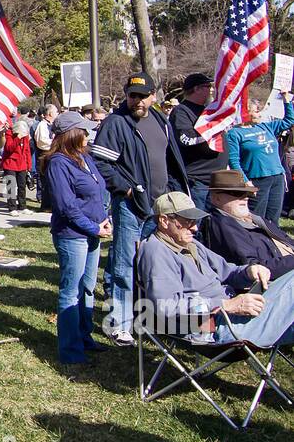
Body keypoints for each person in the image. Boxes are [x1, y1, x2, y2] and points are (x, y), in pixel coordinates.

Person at [91, 72, 190, 347]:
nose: (137, 101)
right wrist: (127, 188)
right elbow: (100, 162)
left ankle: (145, 319)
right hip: (130, 205)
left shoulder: (160, 120)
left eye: (142, 96)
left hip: (160, 206)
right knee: (124, 264)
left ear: (153, 96)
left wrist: (172, 187)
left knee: (150, 264)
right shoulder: (115, 123)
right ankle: (118, 325)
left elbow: (170, 159)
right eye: (132, 95)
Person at [136, 191, 294, 349]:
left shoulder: (190, 244)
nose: (195, 228)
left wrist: (249, 271)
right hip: (213, 328)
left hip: (232, 315)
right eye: (187, 221)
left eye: (195, 221)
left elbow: (228, 271)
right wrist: (225, 305)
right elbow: (168, 305)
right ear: (164, 221)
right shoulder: (156, 252)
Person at [41, 111, 112, 365]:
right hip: (73, 236)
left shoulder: (85, 157)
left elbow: (99, 190)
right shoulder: (58, 163)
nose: (88, 134)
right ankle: (70, 350)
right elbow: (66, 206)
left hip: (93, 231)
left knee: (88, 287)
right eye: (84, 130)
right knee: (71, 292)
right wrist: (94, 228)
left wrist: (104, 219)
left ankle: (84, 338)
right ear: (72, 134)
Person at [202, 168, 294, 281]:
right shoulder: (222, 224)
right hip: (277, 282)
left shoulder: (253, 218)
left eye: (246, 193)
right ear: (216, 198)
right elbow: (253, 267)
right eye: (236, 193)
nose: (245, 197)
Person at [225, 92, 294, 227]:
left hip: (277, 177)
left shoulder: (265, 126)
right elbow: (234, 161)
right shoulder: (235, 133)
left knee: (273, 218)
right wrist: (245, 181)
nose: (260, 114)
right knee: (256, 218)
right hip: (257, 180)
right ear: (246, 112)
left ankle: (273, 245)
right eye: (257, 111)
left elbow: (289, 121)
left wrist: (286, 101)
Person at [168, 73, 221, 213]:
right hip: (198, 180)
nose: (211, 90)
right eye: (207, 86)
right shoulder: (181, 111)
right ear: (196, 89)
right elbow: (186, 138)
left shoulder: (208, 111)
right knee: (197, 222)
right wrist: (211, 131)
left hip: (215, 179)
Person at [0, 117, 31, 212]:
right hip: (10, 164)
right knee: (11, 186)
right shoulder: (9, 134)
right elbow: (9, 148)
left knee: (22, 186)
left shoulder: (25, 137)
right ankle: (12, 207)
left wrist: (28, 165)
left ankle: (22, 206)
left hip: (21, 164)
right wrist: (18, 138)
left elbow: (27, 151)